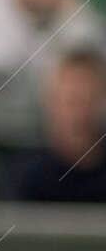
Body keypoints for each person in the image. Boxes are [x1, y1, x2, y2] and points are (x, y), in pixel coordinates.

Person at [7, 49, 106, 203]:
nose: (80, 113)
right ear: (51, 102)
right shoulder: (27, 177)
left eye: (89, 100)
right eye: (71, 101)